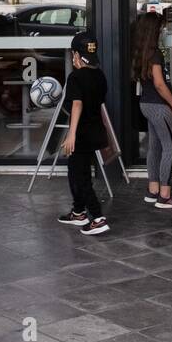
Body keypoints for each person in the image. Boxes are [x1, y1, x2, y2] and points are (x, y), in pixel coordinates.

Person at [57, 32, 111, 235]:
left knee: (82, 177)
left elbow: (77, 104)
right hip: (96, 131)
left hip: (81, 134)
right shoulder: (100, 75)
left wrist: (71, 134)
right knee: (74, 171)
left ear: (76, 56)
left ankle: (97, 217)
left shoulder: (75, 77)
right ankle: (78, 212)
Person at [131, 12, 172, 211]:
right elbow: (160, 84)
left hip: (146, 104)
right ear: (154, 30)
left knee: (155, 147)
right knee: (171, 147)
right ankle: (165, 195)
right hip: (159, 106)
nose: (163, 31)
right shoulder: (155, 54)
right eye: (161, 28)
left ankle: (153, 190)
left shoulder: (140, 52)